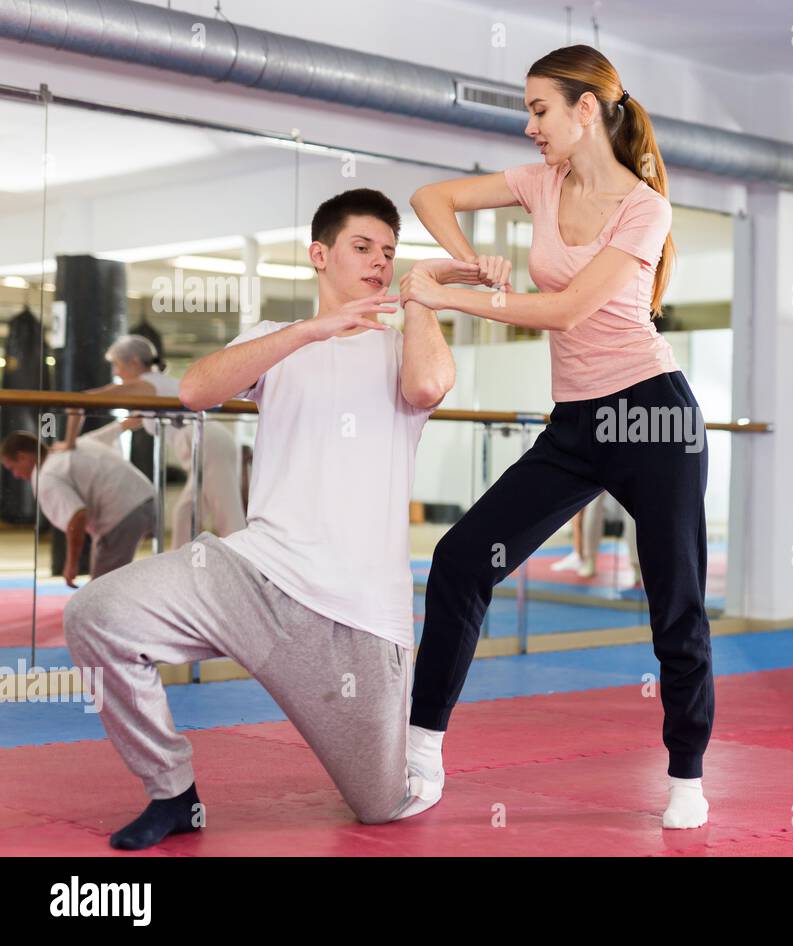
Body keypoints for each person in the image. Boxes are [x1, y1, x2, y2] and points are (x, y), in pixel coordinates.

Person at [58, 189, 478, 849]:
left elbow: (428, 387)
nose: (377, 262)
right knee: (95, 615)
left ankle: (418, 758)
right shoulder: (275, 342)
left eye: (389, 253)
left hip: (356, 615)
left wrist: (421, 296)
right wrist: (312, 330)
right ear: (320, 255)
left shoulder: (403, 347)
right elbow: (197, 391)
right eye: (362, 247)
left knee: (380, 805)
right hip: (255, 572)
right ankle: (172, 793)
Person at [402, 44, 713, 829]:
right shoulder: (539, 184)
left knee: (674, 603)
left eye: (540, 108)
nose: (529, 124)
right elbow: (430, 195)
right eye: (528, 110)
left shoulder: (646, 207)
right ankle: (421, 753)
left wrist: (447, 298)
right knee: (462, 559)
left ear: (586, 109)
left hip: (653, 416)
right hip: (576, 423)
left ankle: (687, 776)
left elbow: (569, 310)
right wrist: (472, 265)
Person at [57, 334, 247, 547]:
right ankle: (181, 566)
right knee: (184, 514)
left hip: (205, 441)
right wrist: (93, 438)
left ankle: (250, 568)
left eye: (117, 365)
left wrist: (69, 443)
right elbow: (129, 423)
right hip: (206, 440)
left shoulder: (145, 384)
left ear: (135, 362)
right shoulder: (158, 384)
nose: (116, 373)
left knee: (227, 513)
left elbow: (79, 403)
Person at [0, 431, 155, 585]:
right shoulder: (81, 442)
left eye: (12, 468)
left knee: (101, 589)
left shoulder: (46, 477)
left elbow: (77, 517)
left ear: (22, 457)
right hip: (151, 499)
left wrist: (71, 564)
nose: (16, 475)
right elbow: (124, 424)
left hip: (122, 513)